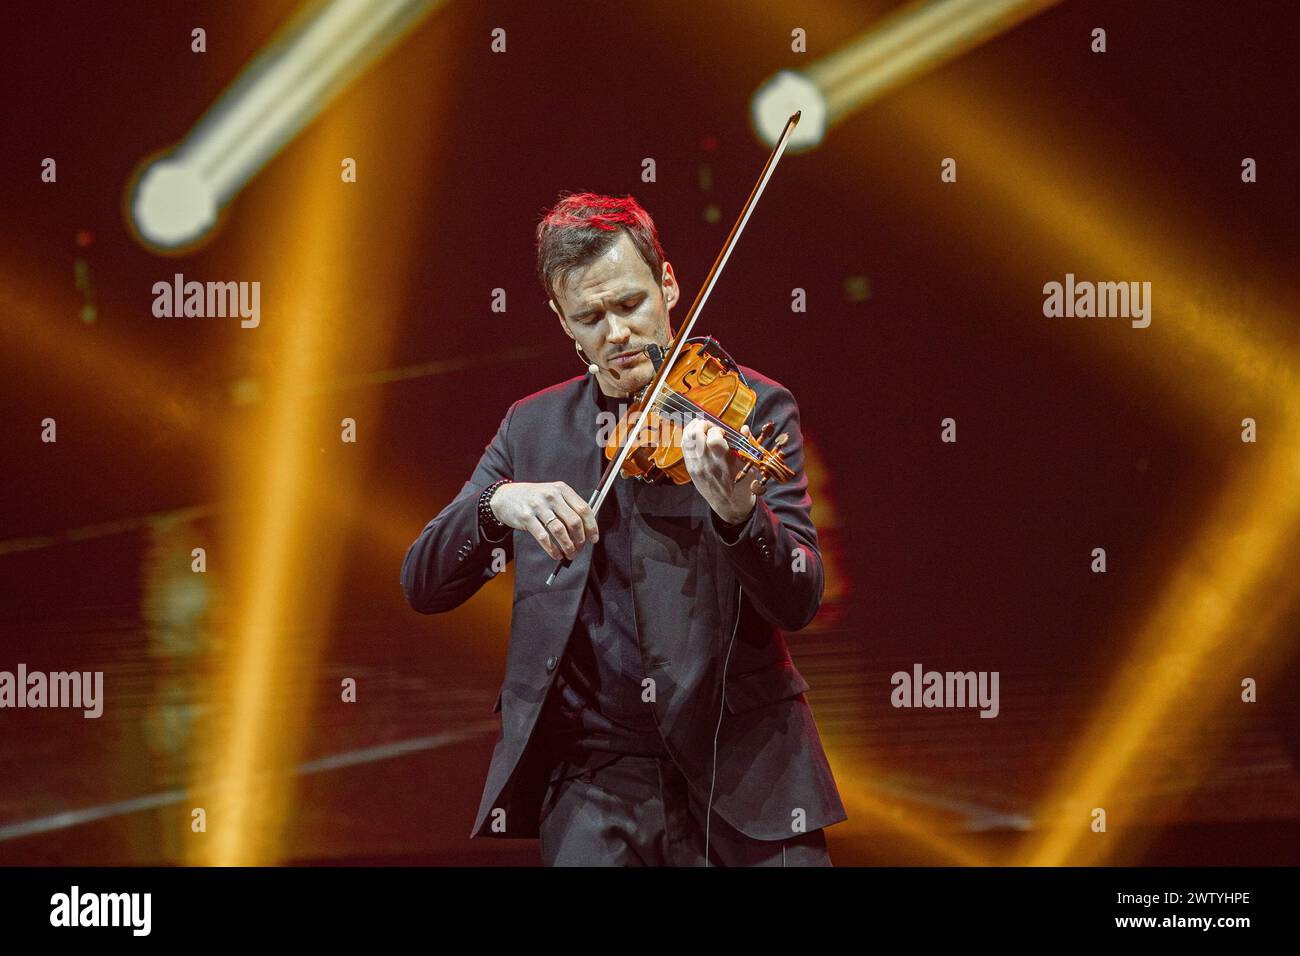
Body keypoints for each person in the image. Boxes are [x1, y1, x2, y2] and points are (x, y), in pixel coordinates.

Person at [401, 192, 846, 865]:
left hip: (744, 767)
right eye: (590, 317)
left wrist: (739, 519)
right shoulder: (533, 428)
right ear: (562, 321)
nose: (616, 335)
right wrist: (497, 506)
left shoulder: (749, 405)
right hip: (596, 784)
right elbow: (423, 582)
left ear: (668, 285)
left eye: (631, 304)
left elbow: (799, 595)